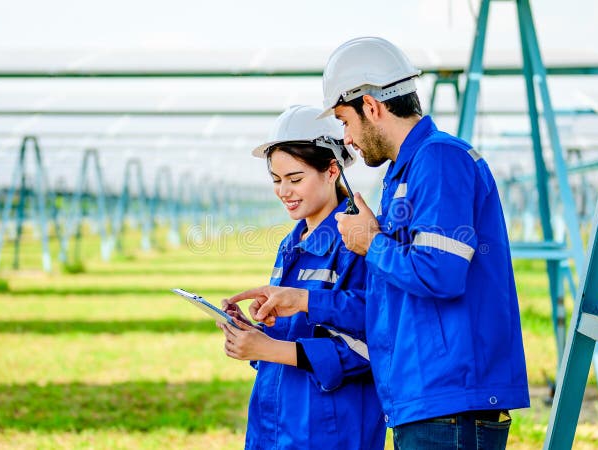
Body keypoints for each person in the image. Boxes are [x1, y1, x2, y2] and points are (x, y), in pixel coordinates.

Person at [228, 37, 529, 450]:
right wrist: (296, 304)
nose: (347, 137)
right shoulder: (402, 176)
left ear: (371, 106)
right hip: (423, 397)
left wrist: (371, 243)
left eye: (344, 120)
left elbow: (440, 272)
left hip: (449, 396)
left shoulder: (439, 159)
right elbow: (384, 303)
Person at [218, 105, 385, 450]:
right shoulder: (292, 243)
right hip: (276, 422)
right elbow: (292, 337)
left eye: (295, 179)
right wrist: (254, 336)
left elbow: (373, 344)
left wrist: (272, 348)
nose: (284, 191)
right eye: (277, 181)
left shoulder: (357, 240)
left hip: (330, 430)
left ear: (331, 170)